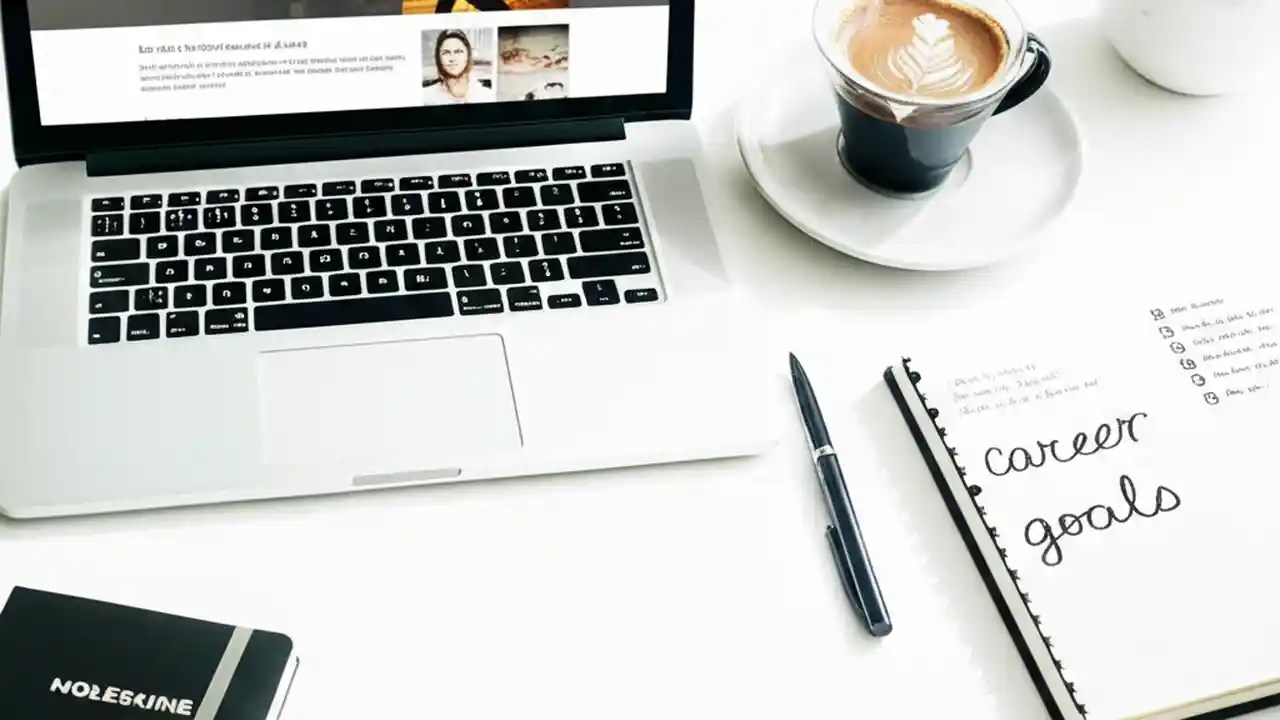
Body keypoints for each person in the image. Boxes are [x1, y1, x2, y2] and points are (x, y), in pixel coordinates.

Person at [422, 30, 495, 106]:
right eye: (446, 53)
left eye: (458, 52)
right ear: (438, 58)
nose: (452, 58)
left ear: (468, 56)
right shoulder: (425, 97)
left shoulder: (487, 96)